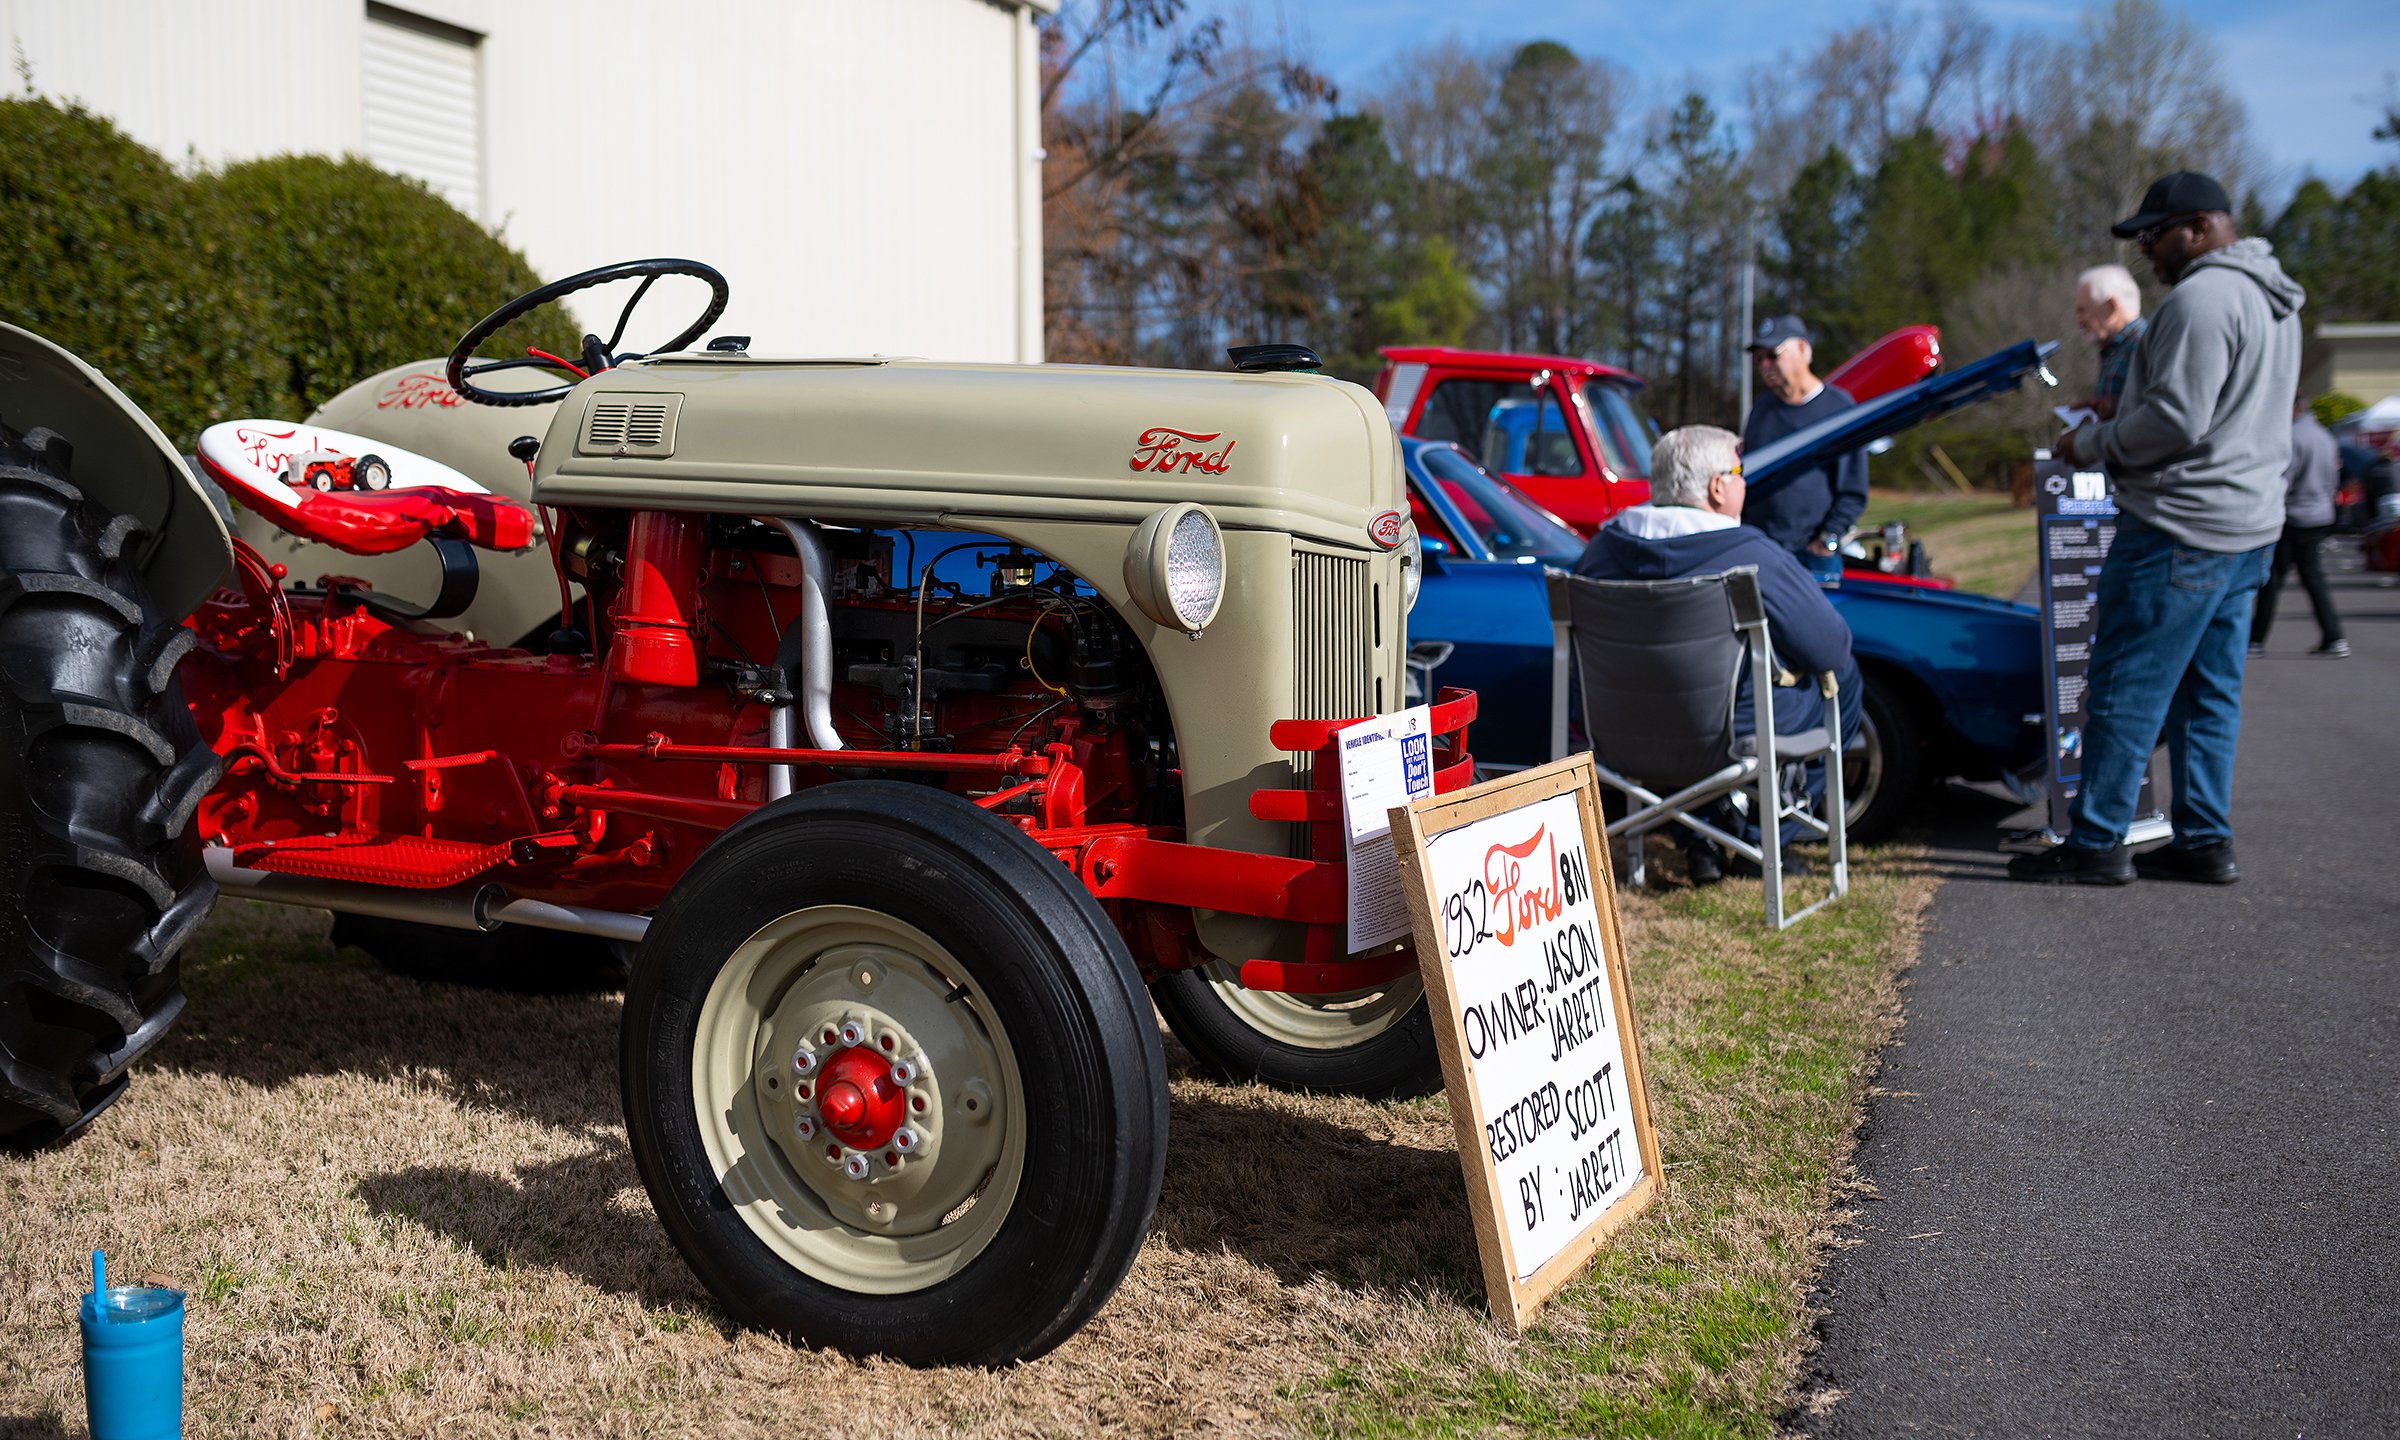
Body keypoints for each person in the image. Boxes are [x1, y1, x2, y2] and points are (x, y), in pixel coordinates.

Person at [2011, 171, 2303, 887]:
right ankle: (2204, 838)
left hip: (2180, 526)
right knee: (2209, 693)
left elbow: (2176, 421)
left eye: (2153, 235)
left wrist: (2089, 444)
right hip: (2249, 527)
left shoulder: (2201, 299)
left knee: (2124, 687)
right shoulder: (2275, 299)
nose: (2145, 251)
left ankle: (2097, 843)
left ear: (2199, 228)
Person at [1574, 424, 1863, 883]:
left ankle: (1701, 839)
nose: (1745, 482)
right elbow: (1829, 647)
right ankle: (1763, 841)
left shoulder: (1600, 552)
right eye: (1740, 472)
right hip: (1723, 736)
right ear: (1716, 486)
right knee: (1843, 678)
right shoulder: (1751, 555)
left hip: (1615, 732)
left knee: (1681, 696)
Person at [1740, 315, 1868, 559]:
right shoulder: (1761, 409)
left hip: (1812, 554)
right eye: (1758, 359)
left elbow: (1853, 490)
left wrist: (1827, 540)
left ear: (1802, 349)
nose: (1764, 365)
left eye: (1773, 355)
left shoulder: (1838, 408)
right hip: (1761, 547)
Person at [2248, 400, 2349, 658]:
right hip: (2319, 514)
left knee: (2273, 580)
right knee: (2312, 577)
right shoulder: (2324, 436)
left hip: (2294, 515)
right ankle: (2333, 636)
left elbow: (2284, 479)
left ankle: (2256, 639)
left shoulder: (2293, 436)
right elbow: (2333, 479)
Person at [2073, 263, 2147, 420]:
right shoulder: (2115, 349)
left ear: (2111, 307)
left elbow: (2154, 413)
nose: (2078, 322)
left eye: (2083, 311)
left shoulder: (2144, 345)